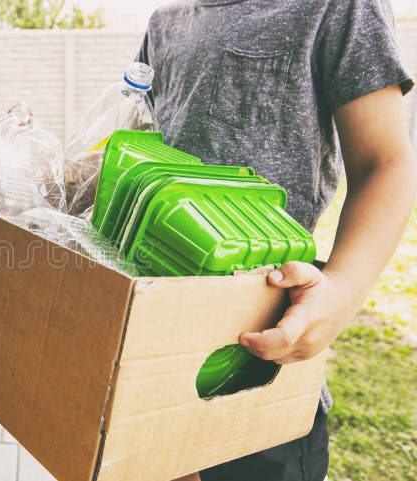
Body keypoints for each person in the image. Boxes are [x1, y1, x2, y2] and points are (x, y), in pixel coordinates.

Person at [135, 1, 416, 480]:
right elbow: (149, 142)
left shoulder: (339, 6)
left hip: (263, 364)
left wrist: (342, 292)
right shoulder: (165, 21)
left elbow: (384, 164)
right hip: (159, 362)